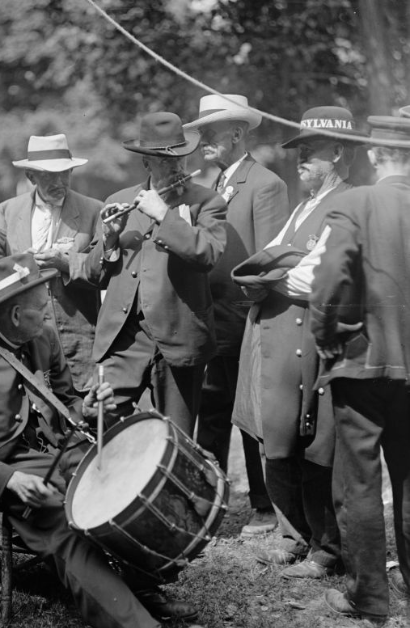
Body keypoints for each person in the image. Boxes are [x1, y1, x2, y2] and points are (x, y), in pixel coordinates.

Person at [0, 254, 202, 628]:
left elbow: (67, 401)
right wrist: (10, 480)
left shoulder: (43, 336)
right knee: (64, 520)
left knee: (118, 483)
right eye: (40, 308)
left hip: (56, 448)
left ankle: (141, 585)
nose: (47, 314)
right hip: (1, 463)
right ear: (13, 316)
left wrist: (87, 408)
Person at [234, 106, 366, 578]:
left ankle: (326, 548)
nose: (300, 161)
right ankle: (292, 535)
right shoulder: (304, 206)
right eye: (298, 152)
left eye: (310, 152)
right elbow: (275, 260)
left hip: (306, 339)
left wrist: (274, 270)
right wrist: (278, 267)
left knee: (314, 443)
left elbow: (311, 279)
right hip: (274, 334)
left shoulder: (347, 204)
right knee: (277, 437)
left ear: (339, 153)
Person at [311, 109, 410, 622]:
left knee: (360, 484)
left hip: (362, 363)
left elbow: (329, 281)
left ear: (374, 154)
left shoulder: (355, 201)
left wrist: (326, 339)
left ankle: (368, 599)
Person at [184, 94, 291, 536]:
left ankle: (265, 507)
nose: (203, 139)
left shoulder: (264, 183)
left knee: (247, 414)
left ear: (237, 133)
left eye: (211, 131)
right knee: (211, 412)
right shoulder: (210, 185)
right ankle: (206, 504)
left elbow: (269, 261)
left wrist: (249, 313)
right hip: (208, 319)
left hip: (242, 318)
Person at [83, 112, 228, 435]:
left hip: (178, 339)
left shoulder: (208, 202)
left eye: (180, 158)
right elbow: (95, 275)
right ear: (146, 164)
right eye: (165, 161)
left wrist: (164, 215)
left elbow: (208, 254)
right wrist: (109, 239)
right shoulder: (118, 201)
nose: (176, 167)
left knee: (176, 440)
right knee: (102, 424)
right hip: (124, 340)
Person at [0, 133, 102, 387]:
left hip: (78, 340)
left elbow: (103, 270)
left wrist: (64, 263)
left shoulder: (94, 210)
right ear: (31, 177)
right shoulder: (8, 211)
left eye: (64, 173)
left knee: (81, 411)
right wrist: (22, 266)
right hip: (23, 338)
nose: (59, 181)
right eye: (49, 174)